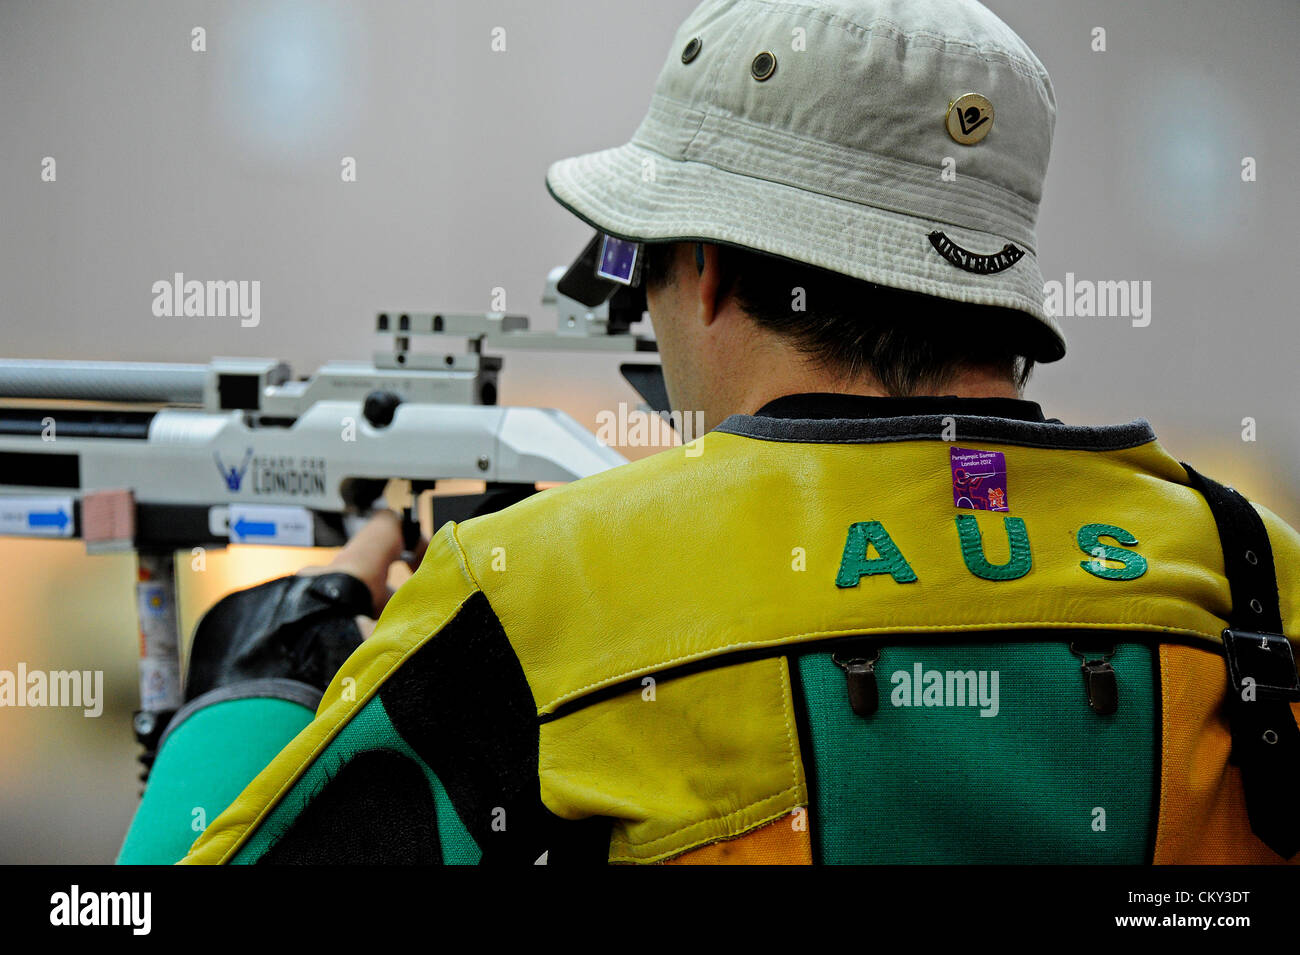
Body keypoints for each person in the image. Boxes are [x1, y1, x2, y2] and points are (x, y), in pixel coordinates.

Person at [119, 0, 1300, 865]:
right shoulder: (1258, 570)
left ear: (714, 271)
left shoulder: (535, 594)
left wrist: (255, 689)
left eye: (641, 263)